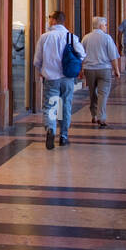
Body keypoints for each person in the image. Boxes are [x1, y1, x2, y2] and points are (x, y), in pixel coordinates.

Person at [33, 9, 85, 149]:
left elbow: (37, 60)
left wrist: (40, 71)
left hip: (51, 78)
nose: (49, 21)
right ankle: (63, 136)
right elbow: (82, 54)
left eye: (50, 18)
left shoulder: (45, 37)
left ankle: (50, 129)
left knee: (51, 105)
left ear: (54, 20)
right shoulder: (71, 37)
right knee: (65, 105)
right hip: (67, 78)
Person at [80, 15, 120, 127]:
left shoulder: (86, 38)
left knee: (93, 93)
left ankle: (94, 115)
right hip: (104, 69)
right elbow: (113, 56)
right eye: (105, 25)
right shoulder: (107, 38)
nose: (106, 27)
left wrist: (81, 70)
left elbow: (81, 55)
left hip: (89, 69)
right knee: (103, 93)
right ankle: (101, 117)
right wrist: (117, 70)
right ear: (101, 25)